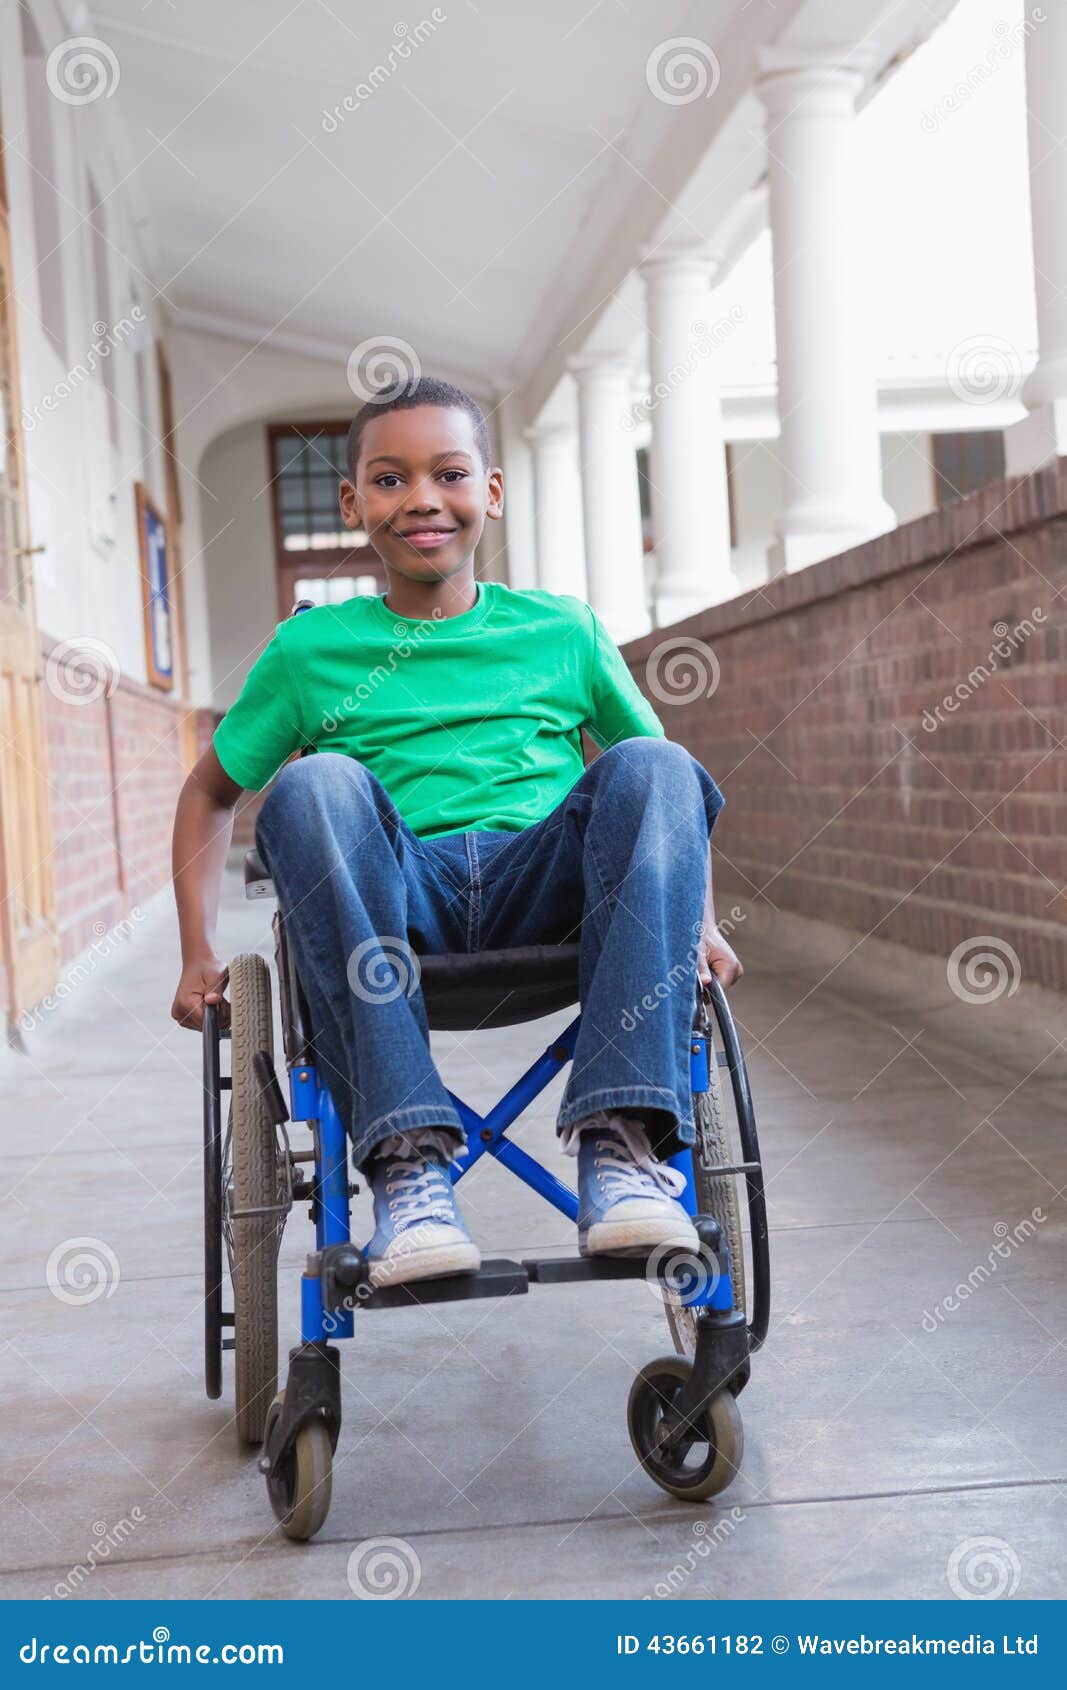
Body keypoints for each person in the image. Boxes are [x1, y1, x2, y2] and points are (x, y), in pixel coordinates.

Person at [171, 377, 742, 1289]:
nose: (423, 501)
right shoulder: (309, 651)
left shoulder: (561, 629)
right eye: (391, 481)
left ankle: (622, 1144)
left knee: (654, 761)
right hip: (394, 902)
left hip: (544, 894)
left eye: (449, 475)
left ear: (491, 492)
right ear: (353, 503)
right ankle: (407, 1166)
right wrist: (197, 951)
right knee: (313, 782)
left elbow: (663, 804)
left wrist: (700, 924)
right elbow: (208, 793)